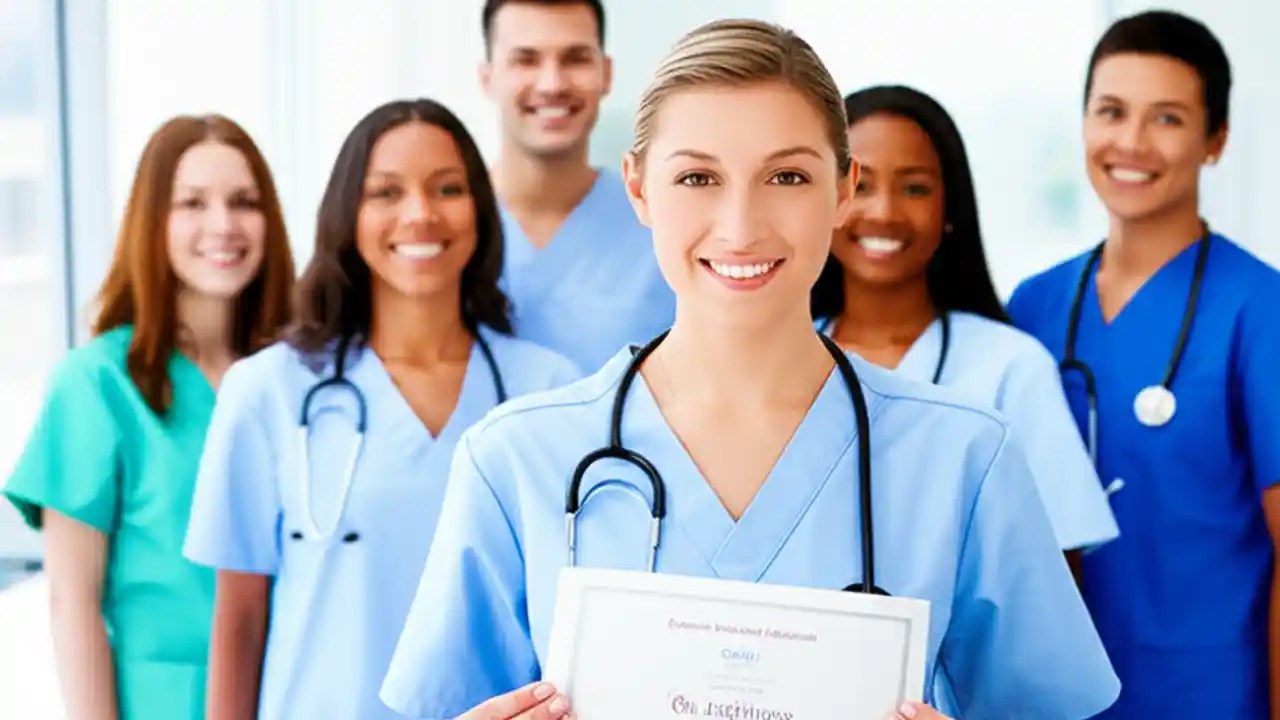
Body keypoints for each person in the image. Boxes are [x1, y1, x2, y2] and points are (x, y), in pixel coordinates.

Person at [380, 19, 1119, 720]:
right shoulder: (516, 460)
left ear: (844, 188)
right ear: (638, 187)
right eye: (698, 179)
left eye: (788, 177)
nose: (741, 225)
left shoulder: (962, 457)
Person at [181, 99, 580, 720]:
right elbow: (238, 622)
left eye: (447, 189)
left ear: (479, 208)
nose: (420, 214)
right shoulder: (268, 391)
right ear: (348, 215)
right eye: (386, 192)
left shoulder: (550, 391)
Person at [1008, 11, 1280, 718]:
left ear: (1215, 140)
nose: (1130, 142)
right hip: (1056, 696)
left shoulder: (1260, 309)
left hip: (1209, 694)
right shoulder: (1033, 306)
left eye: (1167, 118)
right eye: (1111, 111)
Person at [1, 115, 295, 719]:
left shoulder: (298, 378)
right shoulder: (96, 384)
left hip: (298, 691)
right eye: (192, 203)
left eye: (245, 202)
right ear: (152, 221)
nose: (223, 225)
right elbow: (72, 602)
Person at [811, 85, 1118, 565]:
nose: (885, 212)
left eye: (915, 188)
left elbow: (1057, 573)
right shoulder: (781, 357)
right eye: (861, 186)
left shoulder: (1009, 367)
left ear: (949, 210)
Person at [479, 0, 675, 371]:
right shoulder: (442, 230)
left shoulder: (663, 220)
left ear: (606, 73)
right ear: (487, 78)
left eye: (576, 58)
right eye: (526, 59)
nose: (552, 83)